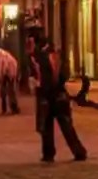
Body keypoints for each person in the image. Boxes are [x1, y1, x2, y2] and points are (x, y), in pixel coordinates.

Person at [29, 33, 84, 164]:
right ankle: (79, 151)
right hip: (60, 94)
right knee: (66, 126)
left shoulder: (40, 58)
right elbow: (64, 74)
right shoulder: (56, 56)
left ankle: (48, 154)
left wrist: (43, 92)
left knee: (47, 127)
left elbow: (43, 79)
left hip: (48, 96)